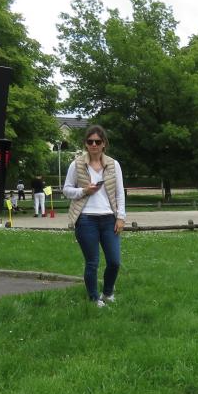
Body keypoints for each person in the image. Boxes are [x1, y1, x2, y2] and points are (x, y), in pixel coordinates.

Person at [63, 125, 126, 307]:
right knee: (92, 262)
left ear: (104, 144)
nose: (94, 145)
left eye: (98, 141)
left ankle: (107, 293)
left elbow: (120, 193)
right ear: (85, 144)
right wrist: (84, 190)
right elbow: (66, 190)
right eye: (90, 142)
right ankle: (93, 298)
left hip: (109, 219)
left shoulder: (114, 165)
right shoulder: (76, 165)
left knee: (114, 261)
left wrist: (120, 217)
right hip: (86, 219)